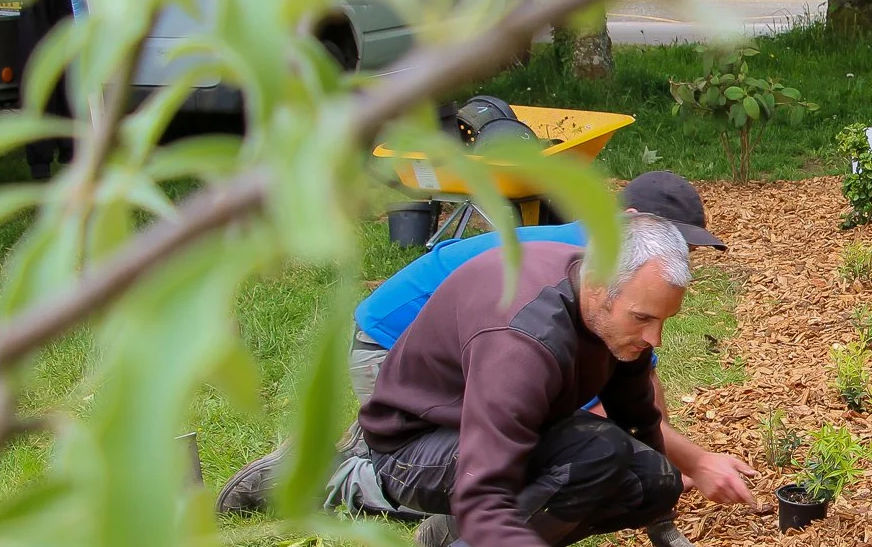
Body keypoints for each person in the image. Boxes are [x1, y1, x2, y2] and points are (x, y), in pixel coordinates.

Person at [216, 170, 759, 520]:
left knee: (538, 451)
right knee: (503, 464)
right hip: (387, 343)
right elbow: (579, 401)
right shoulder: (591, 269)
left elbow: (637, 382)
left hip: (456, 351)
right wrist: (694, 462)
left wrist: (675, 458)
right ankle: (326, 476)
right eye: (674, 239)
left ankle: (377, 450)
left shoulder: (615, 273)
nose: (679, 256)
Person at [363, 214, 708, 547]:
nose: (654, 336)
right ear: (599, 288)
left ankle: (453, 536)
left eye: (663, 319)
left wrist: (661, 520)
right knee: (596, 453)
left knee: (652, 480)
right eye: (642, 318)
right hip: (414, 447)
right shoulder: (522, 340)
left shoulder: (612, 313)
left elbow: (636, 417)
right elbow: (483, 493)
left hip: (485, 433)